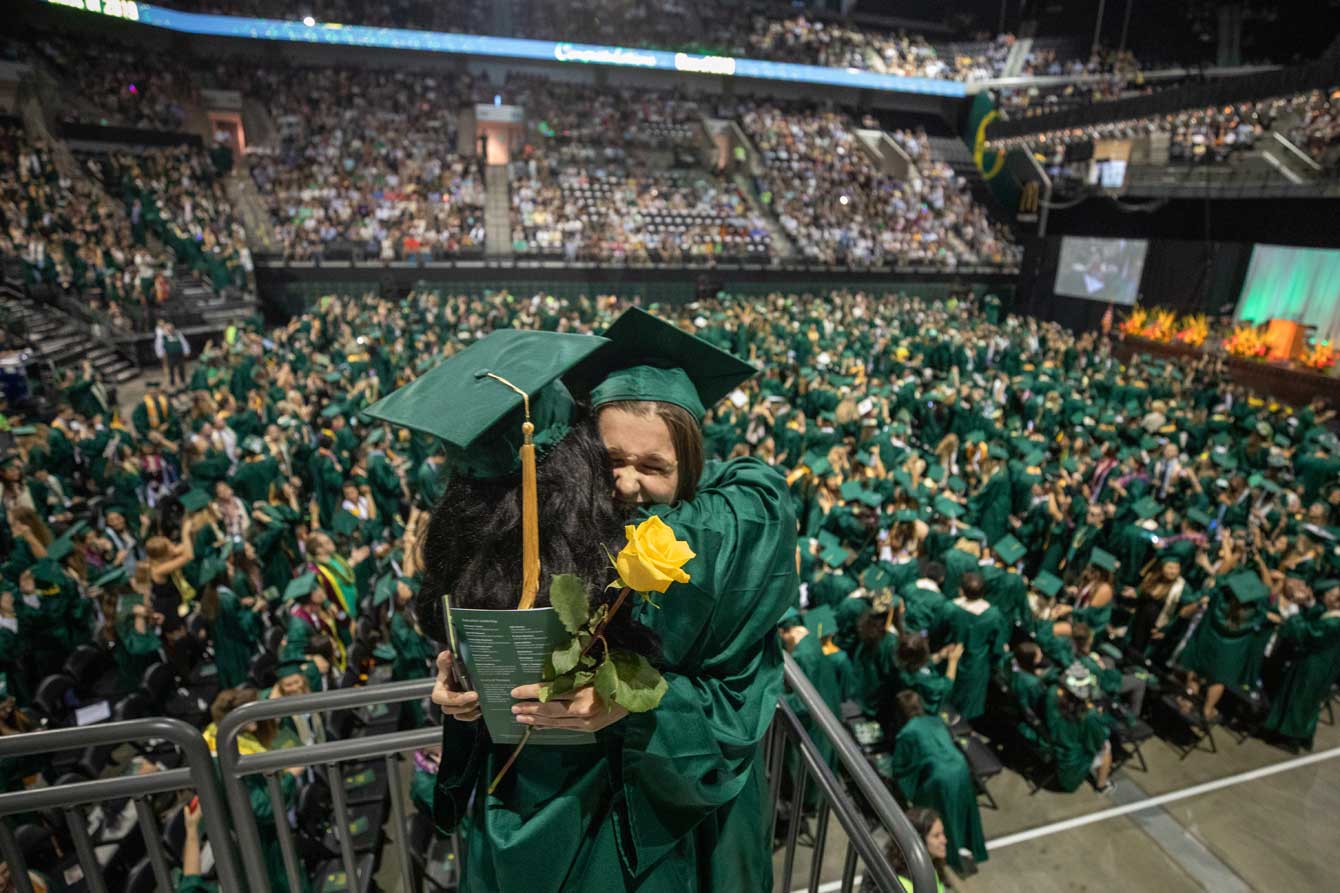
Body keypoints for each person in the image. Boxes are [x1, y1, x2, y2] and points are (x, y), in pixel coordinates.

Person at [889, 691, 988, 873]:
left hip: (939, 777)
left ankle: (948, 856)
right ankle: (967, 847)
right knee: (961, 811)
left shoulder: (906, 733)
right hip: (961, 768)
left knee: (940, 816)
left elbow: (899, 768)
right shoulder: (936, 720)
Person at [1262, 579, 1340, 750]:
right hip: (1324, 666)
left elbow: (1307, 634)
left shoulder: (1334, 623)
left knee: (1299, 698)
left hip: (1314, 665)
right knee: (1309, 701)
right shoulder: (1334, 617)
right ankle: (1302, 734)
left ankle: (1290, 738)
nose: (1325, 597)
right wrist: (1310, 603)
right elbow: (1319, 618)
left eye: (1329, 595)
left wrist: (1293, 610)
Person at [861, 806, 949, 893]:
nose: (944, 840)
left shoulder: (931, 865)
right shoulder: (898, 883)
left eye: (942, 833)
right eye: (936, 836)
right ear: (919, 841)